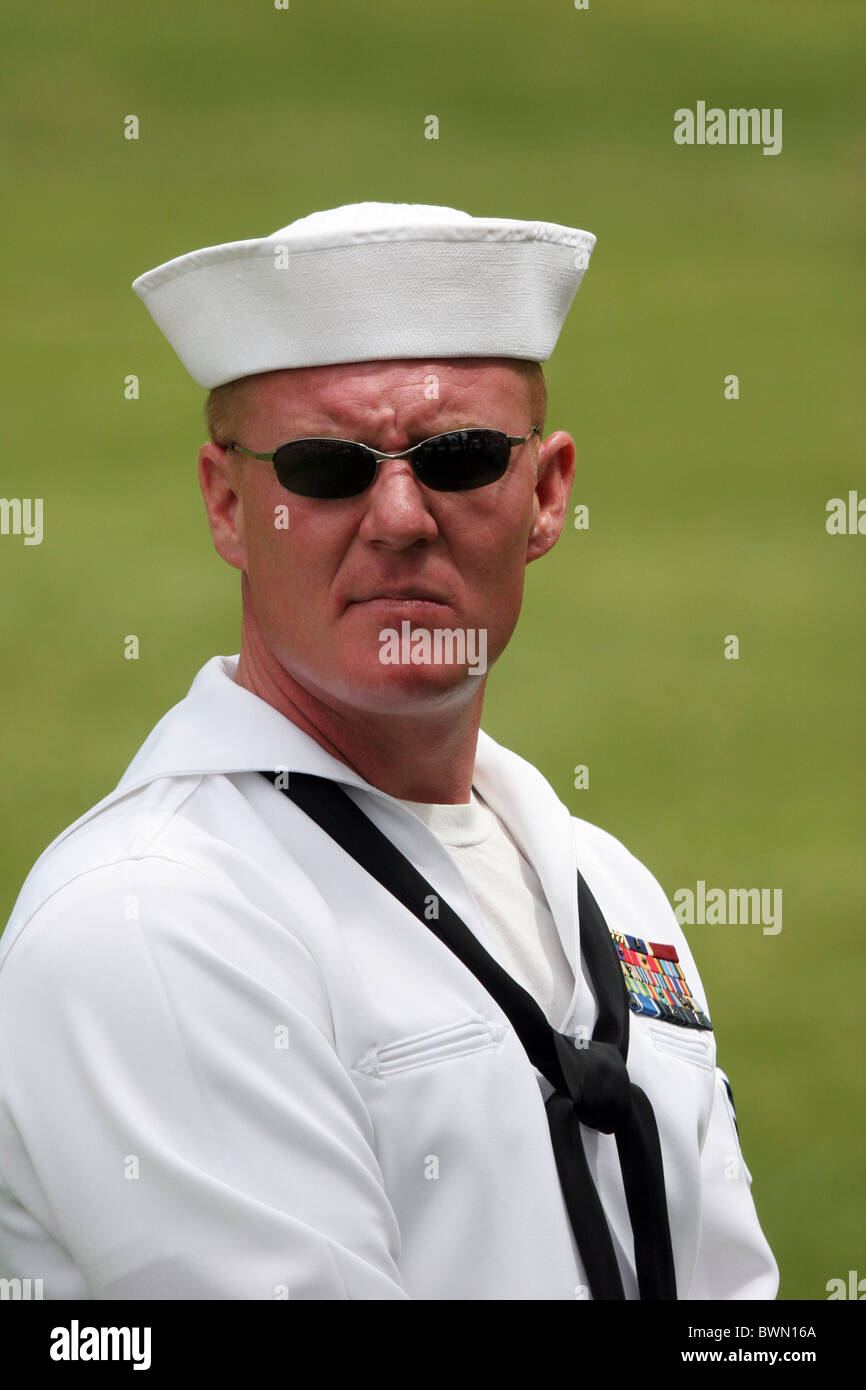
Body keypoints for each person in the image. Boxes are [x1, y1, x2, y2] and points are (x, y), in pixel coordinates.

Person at [0, 202, 778, 1300]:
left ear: (546, 495)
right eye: (327, 468)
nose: (401, 516)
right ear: (229, 505)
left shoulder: (611, 888)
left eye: (458, 458)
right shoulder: (150, 917)